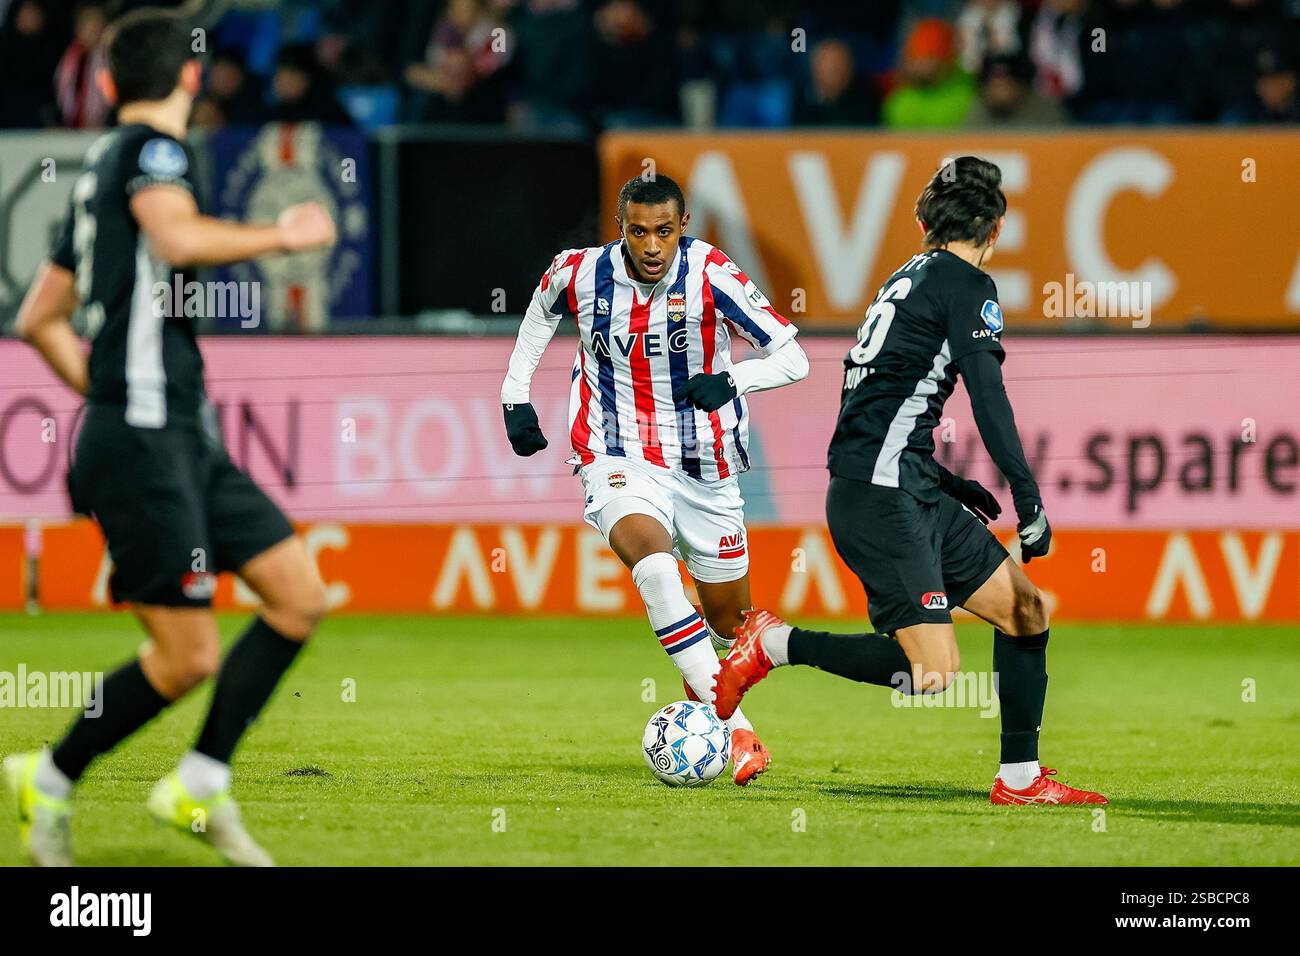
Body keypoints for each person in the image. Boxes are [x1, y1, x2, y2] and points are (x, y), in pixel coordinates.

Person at [3, 7, 337, 866]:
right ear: (189, 78)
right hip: (145, 441)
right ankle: (50, 773)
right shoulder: (153, 154)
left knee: (297, 596)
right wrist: (285, 233)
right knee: (186, 654)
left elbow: (40, 316)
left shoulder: (95, 172)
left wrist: (108, 390)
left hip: (171, 435)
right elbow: (179, 234)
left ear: (110, 83)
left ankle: (199, 783)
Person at [713, 157, 1108, 807]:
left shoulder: (906, 279)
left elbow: (881, 406)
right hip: (883, 498)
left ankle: (1019, 780)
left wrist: (948, 483)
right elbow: (989, 398)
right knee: (933, 673)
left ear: (927, 223)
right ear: (998, 228)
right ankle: (775, 643)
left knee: (1024, 612)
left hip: (905, 485)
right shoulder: (967, 286)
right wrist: (1028, 499)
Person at [500, 174, 808, 786]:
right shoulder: (580, 272)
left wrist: (735, 380)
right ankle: (738, 731)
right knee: (656, 569)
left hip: (706, 470)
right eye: (638, 232)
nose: (651, 246)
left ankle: (705, 708)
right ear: (621, 228)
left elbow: (793, 358)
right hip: (617, 456)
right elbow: (538, 314)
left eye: (664, 232)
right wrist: (514, 395)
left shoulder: (712, 275)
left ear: (682, 227)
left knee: (729, 625)